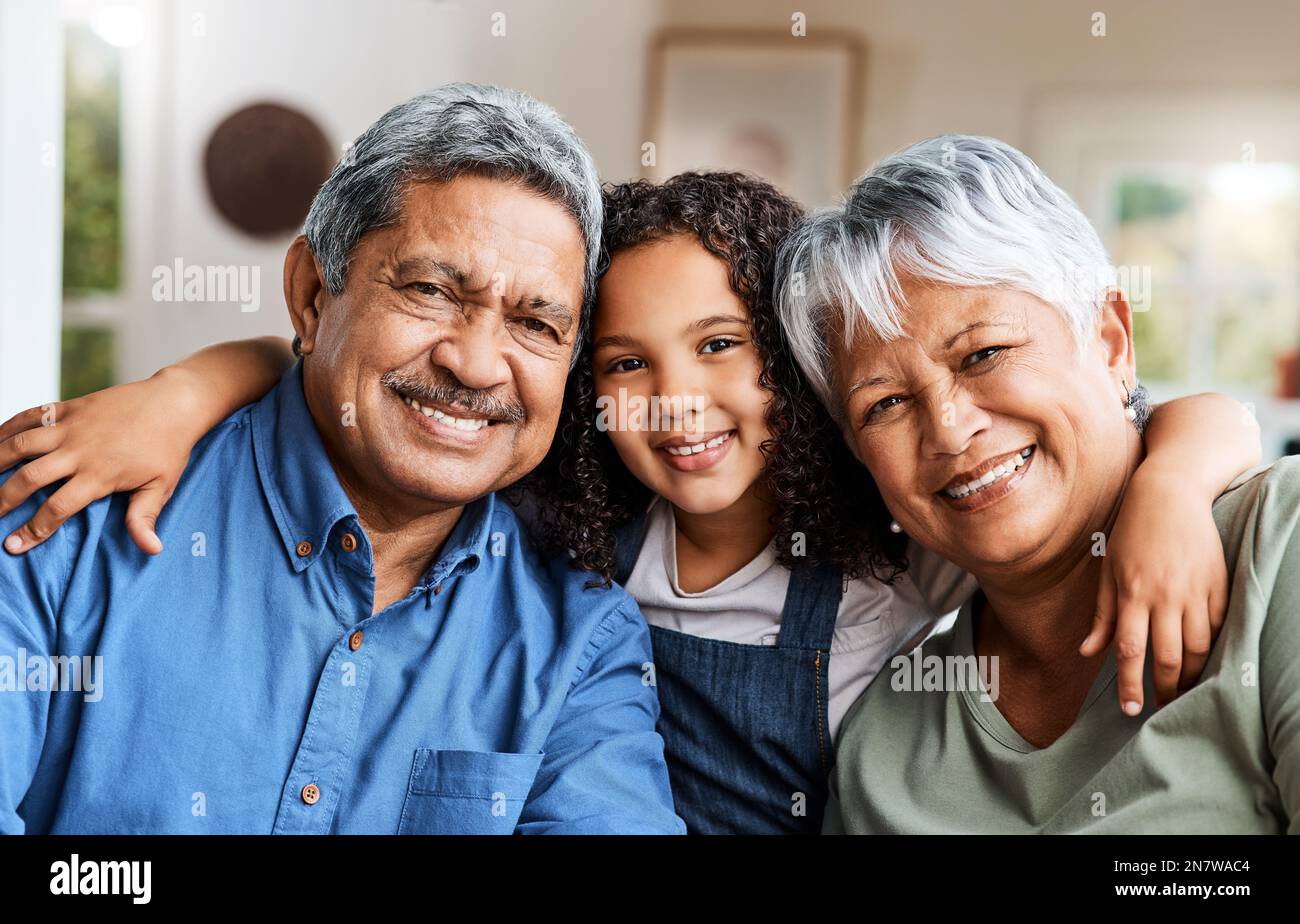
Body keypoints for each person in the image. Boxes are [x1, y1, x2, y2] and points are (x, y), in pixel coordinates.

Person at [2, 168, 1260, 834]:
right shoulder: (572, 542)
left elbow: (1174, 416)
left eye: (724, 347)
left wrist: (1168, 481)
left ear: (799, 371)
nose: (678, 402)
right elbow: (376, 382)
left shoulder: (905, 545)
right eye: (620, 363)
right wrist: (183, 386)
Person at [0, 83, 684, 834]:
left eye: (535, 324)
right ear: (310, 293)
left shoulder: (581, 645)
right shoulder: (64, 515)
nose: (479, 364)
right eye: (430, 290)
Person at [773, 133, 1299, 833]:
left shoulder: (1278, 545)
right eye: (886, 404)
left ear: (1111, 341)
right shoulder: (878, 747)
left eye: (985, 353)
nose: (950, 430)